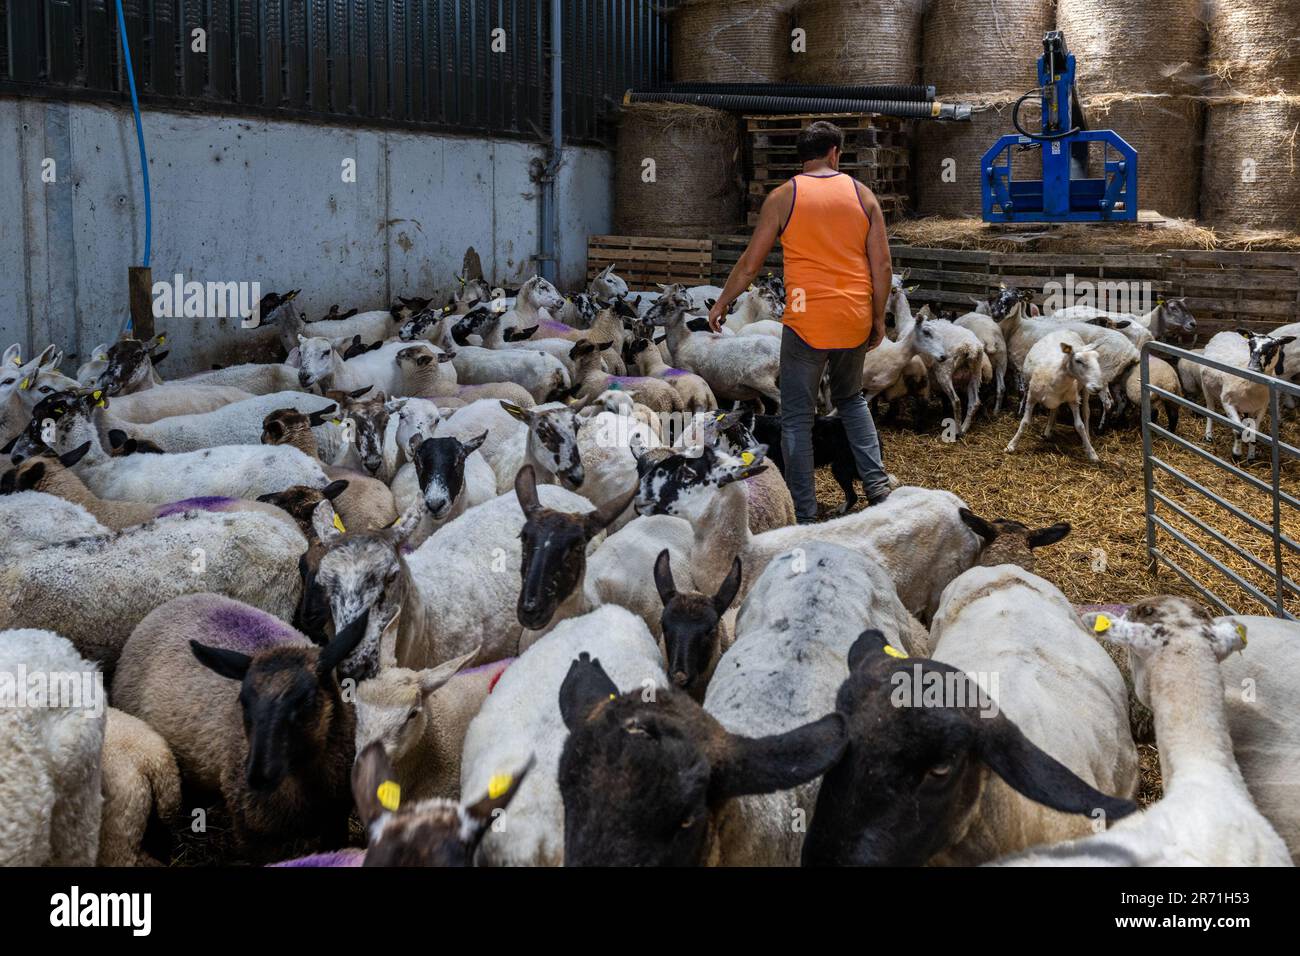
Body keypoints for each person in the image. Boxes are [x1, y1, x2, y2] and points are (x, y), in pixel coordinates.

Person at [707, 120, 893, 523]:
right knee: (851, 400)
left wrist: (723, 302)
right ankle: (879, 490)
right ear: (834, 153)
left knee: (796, 416)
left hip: (807, 320)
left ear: (804, 157)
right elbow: (882, 264)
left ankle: (804, 512)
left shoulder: (782, 197)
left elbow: (750, 264)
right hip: (853, 316)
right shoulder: (863, 196)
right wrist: (877, 318)